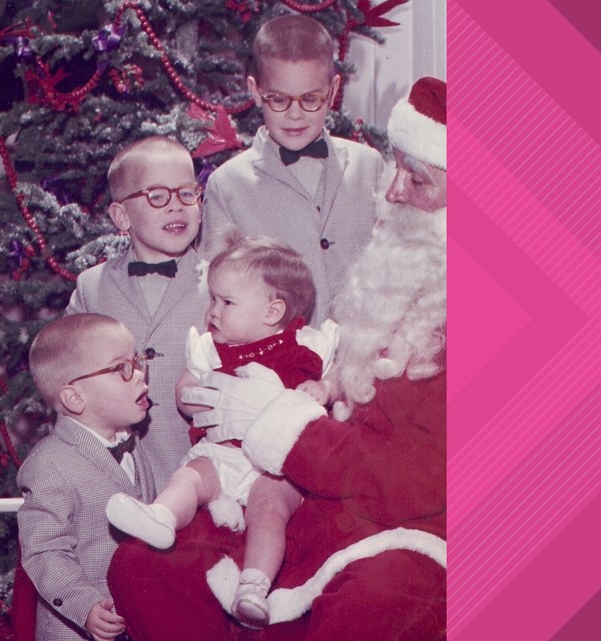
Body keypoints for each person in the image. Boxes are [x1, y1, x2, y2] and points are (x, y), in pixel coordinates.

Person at [107, 76, 448, 641]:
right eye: (396, 168)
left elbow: (422, 480)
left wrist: (281, 423)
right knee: (143, 567)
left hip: (411, 522)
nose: (392, 193)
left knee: (374, 604)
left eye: (418, 179)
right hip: (322, 494)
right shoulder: (399, 276)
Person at [104, 233, 336, 628]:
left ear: (273, 311)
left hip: (276, 466)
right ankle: (161, 517)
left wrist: (324, 388)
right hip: (222, 453)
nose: (212, 311)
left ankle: (254, 585)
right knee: (190, 478)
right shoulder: (209, 349)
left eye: (227, 302)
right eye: (212, 299)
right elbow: (185, 391)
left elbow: (339, 382)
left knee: (269, 510)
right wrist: (190, 396)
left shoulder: (307, 345)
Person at [201, 13, 386, 326]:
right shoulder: (227, 185)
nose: (295, 115)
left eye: (311, 99)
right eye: (279, 99)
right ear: (255, 91)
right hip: (279, 355)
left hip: (363, 346)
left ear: (333, 90)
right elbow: (217, 295)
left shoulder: (369, 165)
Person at [67, 136, 209, 494]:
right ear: (122, 216)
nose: (176, 207)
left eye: (187, 194)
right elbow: (69, 379)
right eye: (157, 196)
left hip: (202, 479)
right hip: (115, 485)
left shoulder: (221, 284)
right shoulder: (91, 287)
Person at [18, 313, 158, 641]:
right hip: (77, 630)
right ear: (75, 398)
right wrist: (85, 605)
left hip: (136, 619)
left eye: (137, 361)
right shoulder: (48, 464)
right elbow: (44, 551)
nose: (139, 374)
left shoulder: (134, 446)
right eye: (121, 368)